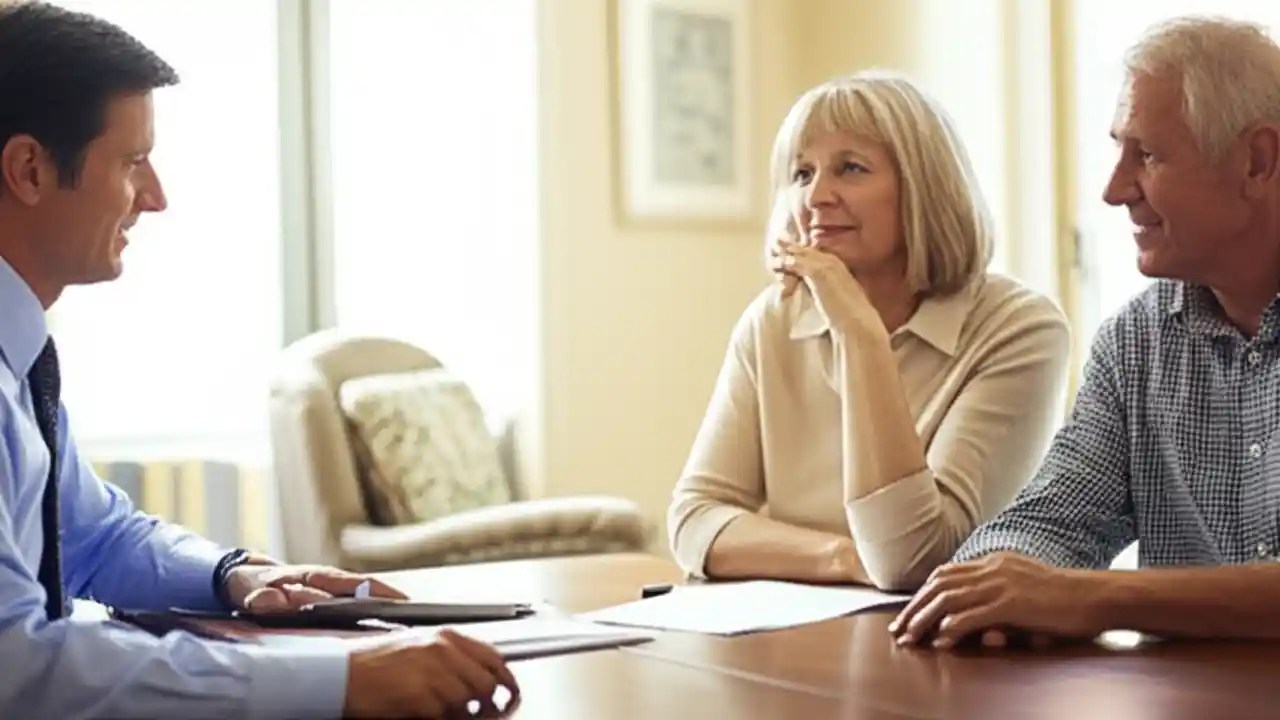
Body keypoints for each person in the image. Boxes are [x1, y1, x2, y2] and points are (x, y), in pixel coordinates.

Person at [0, 3, 518, 718]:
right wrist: (345, 682)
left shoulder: (20, 363)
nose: (155, 197)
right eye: (132, 161)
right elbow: (16, 665)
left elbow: (90, 535)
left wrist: (232, 575)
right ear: (29, 168)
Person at [892, 16, 1280, 650]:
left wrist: (1093, 598)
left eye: (1147, 155)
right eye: (1117, 151)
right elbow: (1047, 520)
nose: (1113, 190)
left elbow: (1074, 591)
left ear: (1257, 162)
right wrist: (996, 594)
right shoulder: (1135, 342)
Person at [666, 71, 1071, 591]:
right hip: (802, 639)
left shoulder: (1020, 329)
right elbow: (695, 520)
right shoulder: (771, 321)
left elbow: (913, 562)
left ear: (925, 189)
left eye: (850, 169)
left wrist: (860, 336)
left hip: (950, 656)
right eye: (802, 173)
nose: (815, 198)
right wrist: (844, 558)